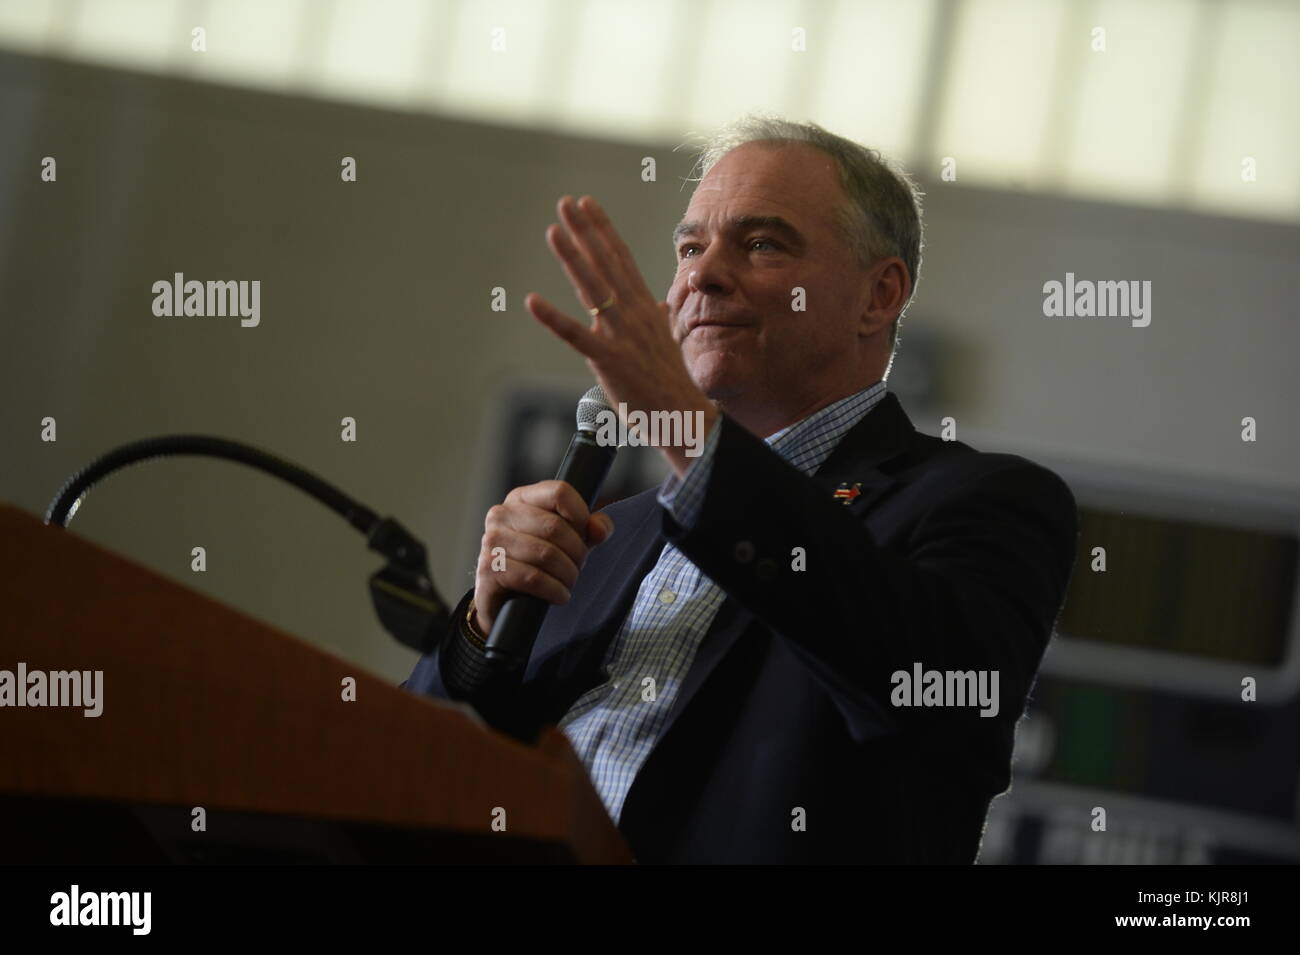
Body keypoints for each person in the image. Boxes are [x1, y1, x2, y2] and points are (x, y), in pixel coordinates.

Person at [403, 116, 1078, 864]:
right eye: (690, 247)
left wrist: (692, 437)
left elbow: (935, 686)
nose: (702, 274)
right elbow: (410, 764)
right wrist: (481, 626)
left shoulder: (982, 502)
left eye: (761, 244)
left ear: (878, 297)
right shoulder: (611, 531)